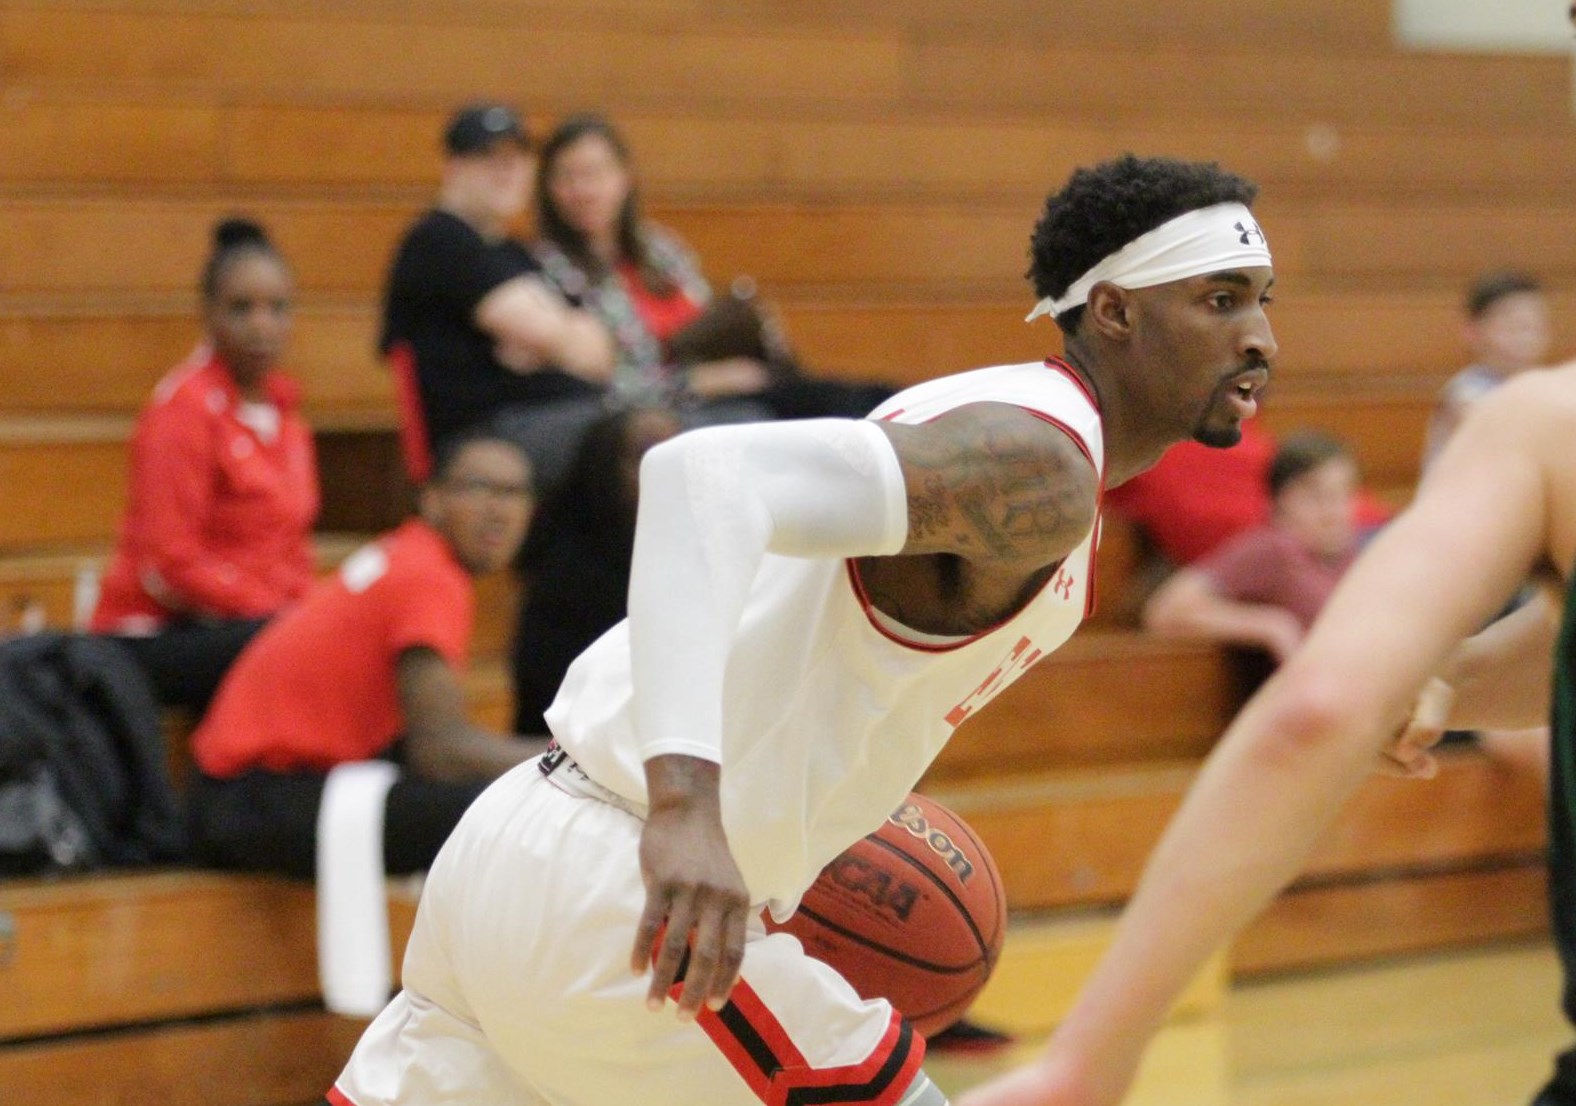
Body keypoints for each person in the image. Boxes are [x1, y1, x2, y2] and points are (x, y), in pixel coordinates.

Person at [324, 153, 1278, 1106]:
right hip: (623, 884)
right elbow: (696, 478)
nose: (1260, 338)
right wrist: (688, 808)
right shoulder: (1036, 464)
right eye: (1221, 300)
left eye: (1261, 301)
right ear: (1113, 311)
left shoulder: (1000, 423)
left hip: (514, 847)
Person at [954, 374, 1576, 1106]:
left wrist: (1086, 1063)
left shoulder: (1543, 423)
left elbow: (1318, 708)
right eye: (1317, 494)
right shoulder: (1271, 552)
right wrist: (1436, 676)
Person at [187, 431, 545, 879]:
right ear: (431, 500)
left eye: (514, 493)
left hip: (249, 791)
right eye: (478, 488)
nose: (499, 510)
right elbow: (439, 752)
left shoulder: (409, 554)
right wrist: (567, 758)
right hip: (253, 800)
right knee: (517, 813)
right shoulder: (429, 576)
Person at [90, 217, 318, 712]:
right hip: (155, 634)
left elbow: (292, 547)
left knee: (353, 640)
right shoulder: (183, 411)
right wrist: (274, 610)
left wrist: (314, 610)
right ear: (209, 314)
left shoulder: (287, 415)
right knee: (297, 652)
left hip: (248, 623)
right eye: (242, 308)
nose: (262, 326)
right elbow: (168, 566)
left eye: (277, 308)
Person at [532, 112, 892, 423]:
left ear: (624, 177)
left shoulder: (657, 247)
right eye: (567, 177)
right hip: (671, 407)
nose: (583, 190)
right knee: (815, 412)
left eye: (594, 173)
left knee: (871, 400)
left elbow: (703, 319)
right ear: (548, 188)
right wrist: (698, 382)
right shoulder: (548, 269)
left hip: (735, 380)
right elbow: (599, 386)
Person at [381, 102, 615, 494]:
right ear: (454, 167)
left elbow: (599, 353)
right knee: (628, 437)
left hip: (546, 420)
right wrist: (555, 340)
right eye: (489, 158)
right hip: (480, 438)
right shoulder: (439, 240)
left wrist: (550, 345)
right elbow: (550, 337)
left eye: (517, 159)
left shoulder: (516, 251)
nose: (507, 171)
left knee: (649, 431)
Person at [509, 403, 682, 735]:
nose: (667, 471)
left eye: (676, 454)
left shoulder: (693, 548)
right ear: (604, 470)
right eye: (647, 455)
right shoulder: (566, 573)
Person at [1142, 431, 1362, 664]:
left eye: (1343, 494)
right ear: (1278, 500)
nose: (1333, 511)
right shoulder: (1271, 547)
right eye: (1315, 495)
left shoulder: (1353, 554)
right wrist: (1271, 624)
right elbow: (1169, 609)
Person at [1422, 269, 1550, 468]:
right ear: (1472, 332)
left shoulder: (1543, 387)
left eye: (1532, 324)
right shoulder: (1464, 393)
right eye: (1512, 325)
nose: (1525, 336)